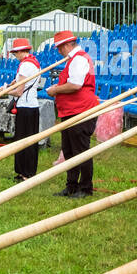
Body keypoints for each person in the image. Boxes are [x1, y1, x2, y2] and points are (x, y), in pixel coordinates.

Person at [46, 30, 98, 198]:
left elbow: (75, 85)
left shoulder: (79, 59)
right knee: (69, 150)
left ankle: (85, 188)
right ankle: (72, 186)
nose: (59, 51)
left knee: (81, 151)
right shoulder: (74, 59)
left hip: (81, 111)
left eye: (60, 48)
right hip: (71, 111)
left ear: (68, 45)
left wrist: (55, 90)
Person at [7, 38, 42, 181]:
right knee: (31, 140)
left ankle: (24, 174)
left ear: (22, 51)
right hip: (33, 106)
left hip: (25, 106)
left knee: (22, 140)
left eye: (16, 53)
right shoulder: (35, 63)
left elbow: (19, 91)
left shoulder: (25, 65)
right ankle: (29, 172)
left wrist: (5, 91)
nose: (15, 56)